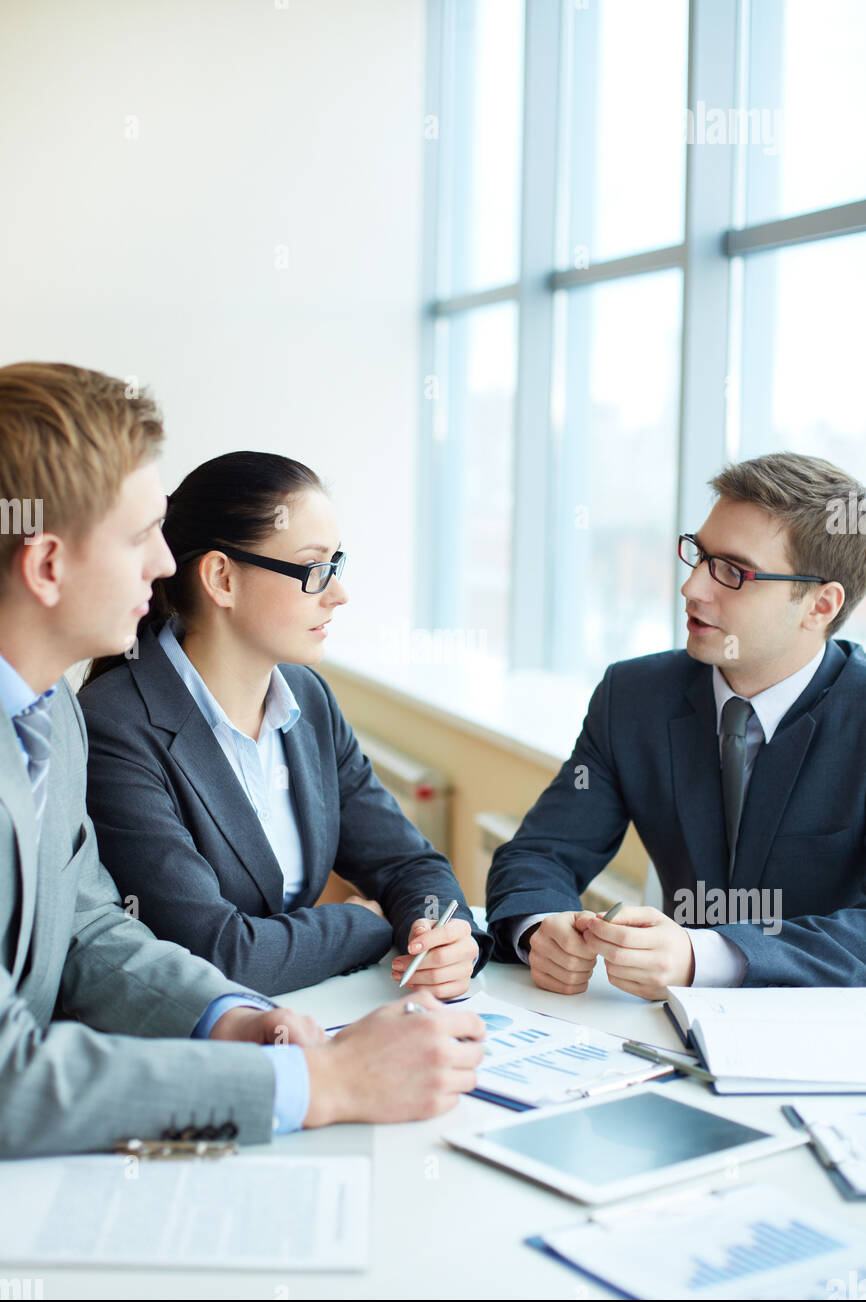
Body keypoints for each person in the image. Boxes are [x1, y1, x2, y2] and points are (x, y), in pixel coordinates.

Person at [0, 360, 484, 1158]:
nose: (163, 565)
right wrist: (320, 1084)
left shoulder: (49, 711)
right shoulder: (105, 716)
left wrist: (227, 1014)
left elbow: (88, 926)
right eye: (136, 537)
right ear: (48, 565)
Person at [78, 450, 490, 998]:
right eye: (314, 570)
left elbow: (406, 861)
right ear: (222, 578)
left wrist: (443, 932)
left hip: (309, 1013)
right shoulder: (116, 725)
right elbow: (219, 953)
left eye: (336, 565)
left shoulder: (306, 697)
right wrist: (365, 922)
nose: (339, 594)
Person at [487, 452, 866, 996]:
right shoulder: (635, 697)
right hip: (667, 1030)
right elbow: (541, 852)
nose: (692, 589)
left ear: (819, 604)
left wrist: (705, 955)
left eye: (732, 571)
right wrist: (540, 928)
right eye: (699, 555)